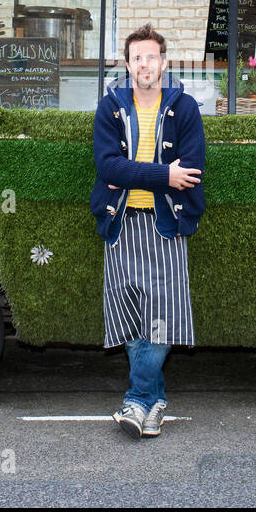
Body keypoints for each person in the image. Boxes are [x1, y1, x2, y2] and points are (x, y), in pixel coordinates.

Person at [90, 23, 206, 439]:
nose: (145, 64)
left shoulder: (185, 107)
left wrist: (136, 175)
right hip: (120, 225)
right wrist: (163, 174)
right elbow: (107, 167)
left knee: (162, 318)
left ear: (163, 62)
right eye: (137, 57)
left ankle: (137, 402)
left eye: (151, 56)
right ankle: (154, 405)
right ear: (127, 65)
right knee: (133, 320)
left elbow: (190, 173)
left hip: (166, 227)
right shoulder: (111, 107)